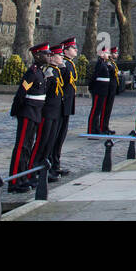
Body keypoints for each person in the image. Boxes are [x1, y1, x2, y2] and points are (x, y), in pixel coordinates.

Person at [8, 43, 50, 192]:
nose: (48, 56)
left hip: (35, 113)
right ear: (37, 55)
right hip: (27, 112)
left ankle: (23, 176)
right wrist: (17, 111)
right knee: (21, 146)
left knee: (28, 147)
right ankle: (14, 181)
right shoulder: (32, 73)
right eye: (45, 54)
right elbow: (21, 93)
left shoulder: (40, 72)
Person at [32, 45, 64, 182]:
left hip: (55, 111)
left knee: (49, 142)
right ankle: (34, 168)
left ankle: (44, 168)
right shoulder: (48, 71)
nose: (61, 58)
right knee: (42, 142)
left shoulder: (56, 71)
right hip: (47, 111)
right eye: (58, 55)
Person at [49, 37, 79, 178]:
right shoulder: (64, 65)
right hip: (60, 104)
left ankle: (56, 163)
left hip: (66, 103)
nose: (76, 50)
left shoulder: (69, 64)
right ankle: (52, 164)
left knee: (61, 135)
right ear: (65, 51)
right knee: (55, 136)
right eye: (73, 48)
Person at [87, 46, 114, 135]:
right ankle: (91, 130)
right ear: (102, 54)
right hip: (99, 90)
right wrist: (92, 88)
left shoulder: (105, 64)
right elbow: (94, 77)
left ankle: (97, 128)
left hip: (103, 91)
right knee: (95, 111)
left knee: (98, 111)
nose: (108, 55)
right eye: (106, 53)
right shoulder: (100, 64)